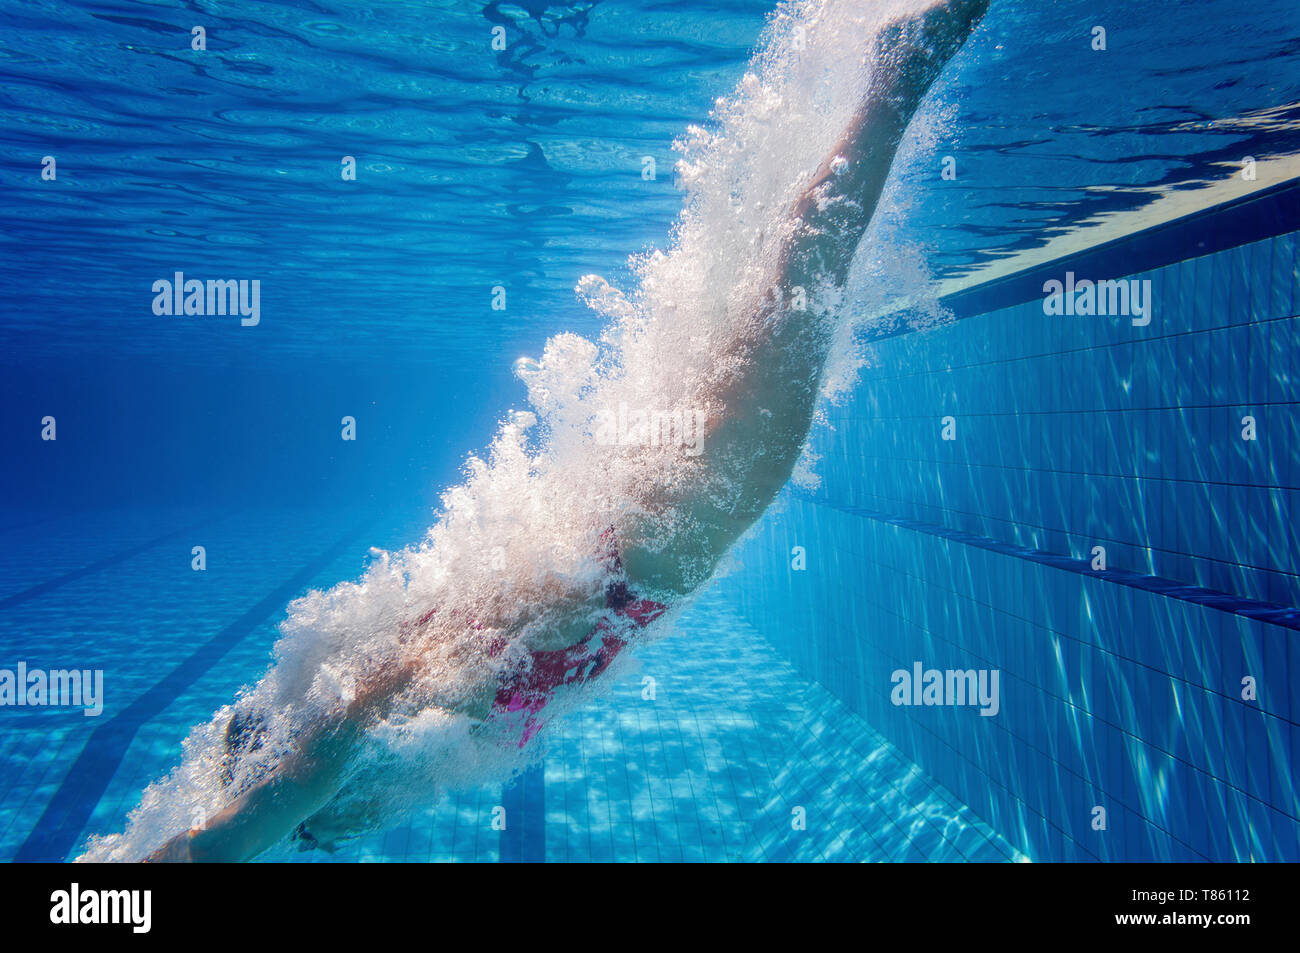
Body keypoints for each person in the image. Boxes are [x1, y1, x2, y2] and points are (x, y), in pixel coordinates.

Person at [146, 0, 989, 862]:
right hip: (652, 545)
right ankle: (893, 72)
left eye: (310, 835)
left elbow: (282, 785)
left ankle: (900, 66)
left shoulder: (359, 723)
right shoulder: (411, 736)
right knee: (783, 297)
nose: (333, 840)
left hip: (662, 530)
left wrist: (209, 846)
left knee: (800, 284)